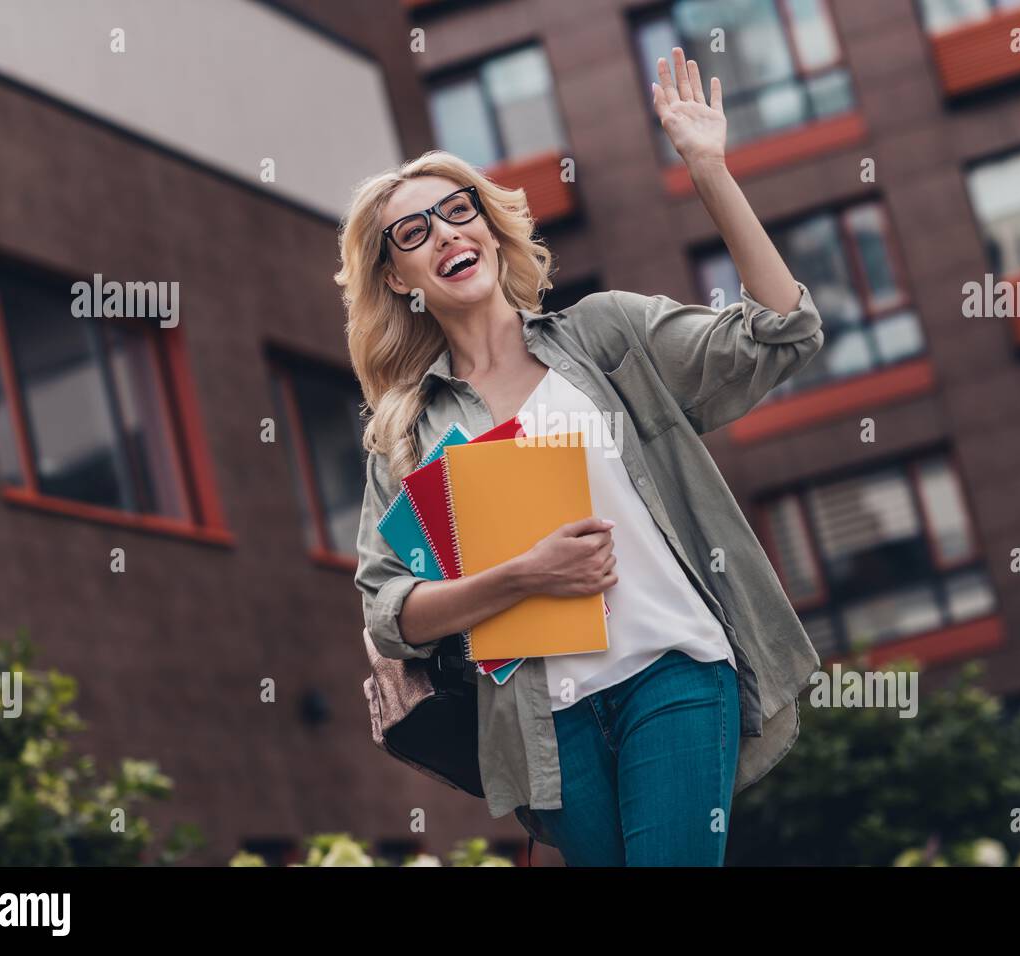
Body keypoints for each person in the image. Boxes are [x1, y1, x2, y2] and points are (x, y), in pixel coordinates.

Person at [341, 47, 825, 866]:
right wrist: (521, 579)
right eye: (413, 233)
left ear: (489, 227)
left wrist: (707, 168)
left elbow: (782, 335)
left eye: (459, 211)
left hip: (671, 669)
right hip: (542, 729)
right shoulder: (407, 433)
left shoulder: (605, 337)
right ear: (397, 277)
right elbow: (390, 613)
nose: (446, 235)